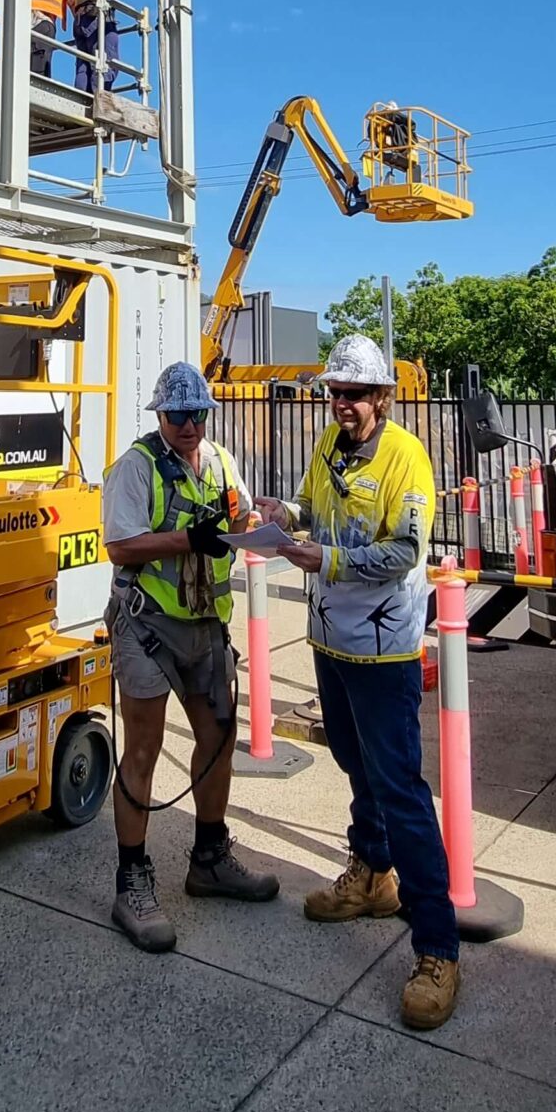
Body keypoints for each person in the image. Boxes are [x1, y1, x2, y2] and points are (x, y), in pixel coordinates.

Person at [255, 334, 460, 1030]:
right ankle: (372, 874)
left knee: (399, 785)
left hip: (383, 648)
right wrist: (285, 516)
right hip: (330, 640)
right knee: (354, 763)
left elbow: (405, 547)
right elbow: (316, 510)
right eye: (334, 393)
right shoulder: (328, 447)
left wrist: (329, 560)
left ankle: (436, 946)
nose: (341, 404)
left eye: (354, 394)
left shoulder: (406, 457)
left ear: (381, 397)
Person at [101, 360, 279, 950]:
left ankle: (208, 858)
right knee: (145, 749)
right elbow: (120, 546)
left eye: (197, 414)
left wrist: (263, 521)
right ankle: (133, 880)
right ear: (160, 414)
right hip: (148, 628)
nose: (189, 425)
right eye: (178, 414)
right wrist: (188, 539)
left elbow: (241, 513)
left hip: (205, 627)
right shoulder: (136, 469)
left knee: (218, 737)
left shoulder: (221, 462)